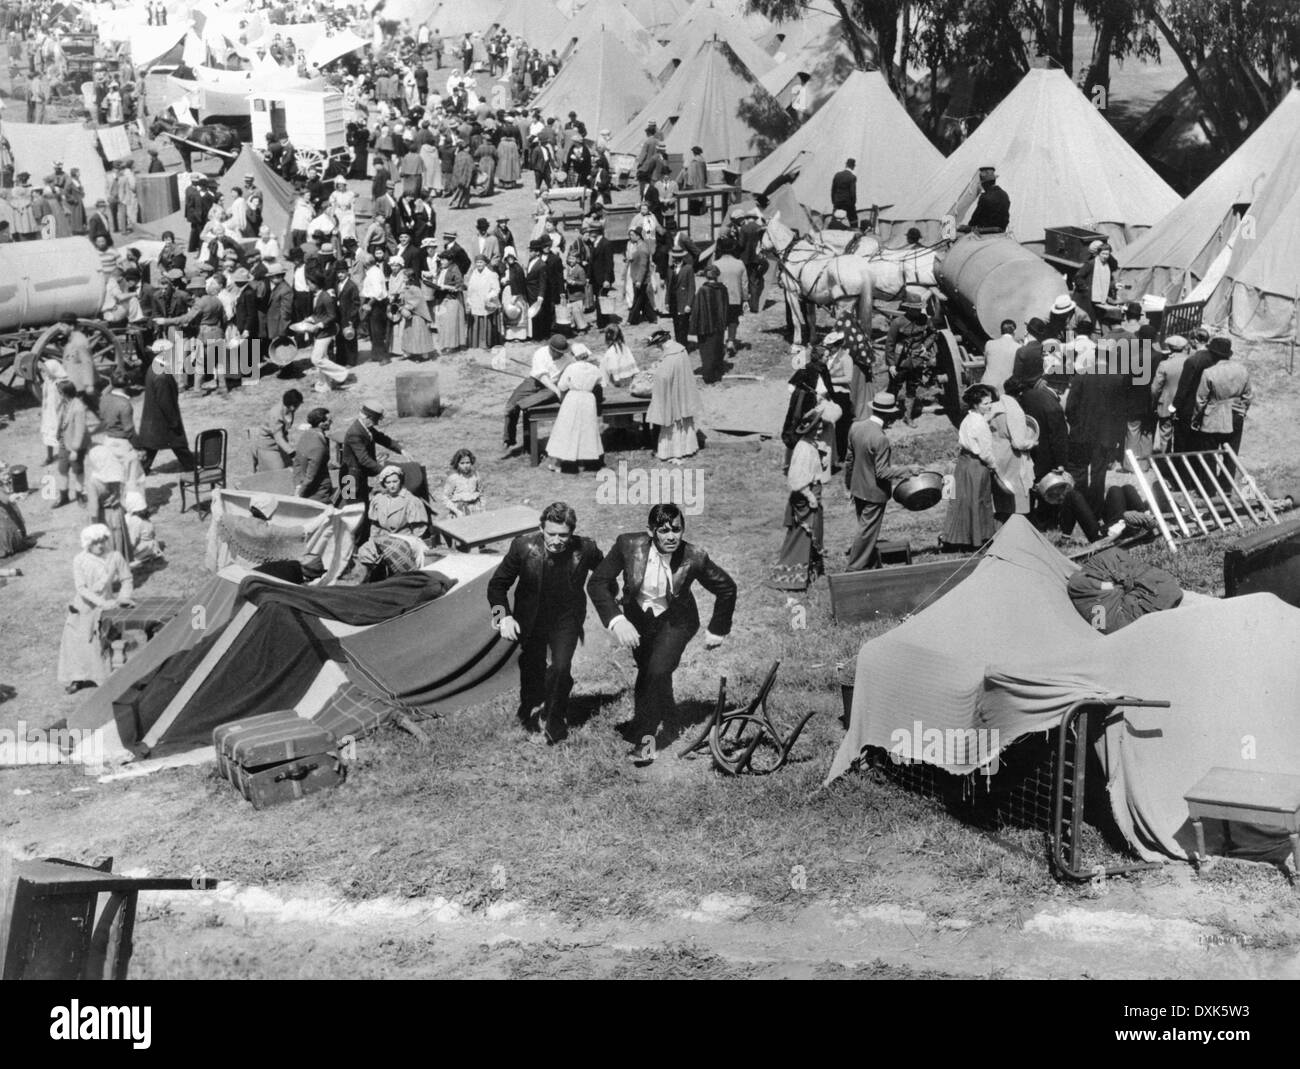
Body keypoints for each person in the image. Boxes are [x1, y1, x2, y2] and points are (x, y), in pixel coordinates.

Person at [587, 504, 737, 761]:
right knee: (652, 671)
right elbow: (598, 582)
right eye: (664, 530)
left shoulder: (694, 556)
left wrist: (717, 629)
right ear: (650, 531)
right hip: (638, 621)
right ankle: (671, 717)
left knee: (654, 672)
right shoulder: (627, 544)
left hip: (677, 622)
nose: (671, 536)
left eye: (676, 530)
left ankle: (645, 741)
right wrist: (617, 620)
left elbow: (727, 587)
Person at [488, 501, 605, 744]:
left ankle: (554, 723)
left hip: (566, 619)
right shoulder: (523, 546)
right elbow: (497, 585)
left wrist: (616, 598)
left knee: (561, 668)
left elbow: (605, 576)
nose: (557, 540)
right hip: (531, 618)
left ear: (572, 533)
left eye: (563, 535)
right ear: (542, 529)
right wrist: (503, 617)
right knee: (533, 668)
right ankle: (531, 708)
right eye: (551, 534)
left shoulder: (587, 549)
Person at [844, 392, 920, 571]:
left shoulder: (856, 427)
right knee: (868, 531)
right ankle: (854, 568)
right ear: (889, 415)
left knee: (864, 527)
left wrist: (849, 485)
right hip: (873, 492)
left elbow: (849, 459)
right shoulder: (880, 438)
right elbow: (882, 472)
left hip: (858, 488)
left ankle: (870, 562)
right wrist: (909, 470)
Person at [769, 398, 840, 590]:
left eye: (820, 427)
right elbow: (796, 480)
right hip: (805, 499)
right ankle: (790, 578)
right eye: (816, 428)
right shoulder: (803, 449)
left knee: (813, 535)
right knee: (801, 538)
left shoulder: (811, 446)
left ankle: (812, 572)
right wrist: (809, 497)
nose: (819, 431)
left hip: (812, 495)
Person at [57, 524, 134, 693]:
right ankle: (77, 678)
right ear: (88, 544)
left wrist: (123, 597)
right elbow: (82, 588)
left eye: (102, 541)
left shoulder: (115, 557)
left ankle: (102, 679)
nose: (100, 545)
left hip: (106, 606)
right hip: (84, 606)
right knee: (77, 642)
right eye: (95, 542)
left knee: (101, 642)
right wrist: (100, 602)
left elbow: (126, 578)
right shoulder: (80, 560)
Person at [941, 384, 999, 548]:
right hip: (976, 465)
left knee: (961, 500)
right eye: (985, 403)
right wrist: (994, 466)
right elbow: (985, 452)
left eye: (989, 402)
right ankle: (979, 538)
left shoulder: (968, 418)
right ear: (975, 405)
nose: (989, 406)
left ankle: (958, 538)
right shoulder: (980, 424)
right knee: (978, 500)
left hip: (963, 463)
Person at [353, 465, 431, 581]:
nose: (392, 485)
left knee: (394, 550)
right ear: (384, 483)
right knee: (365, 551)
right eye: (388, 482)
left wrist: (412, 542)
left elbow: (419, 529)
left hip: (405, 538)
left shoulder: (411, 500)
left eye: (395, 481)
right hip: (383, 538)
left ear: (400, 481)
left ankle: (407, 580)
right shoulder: (379, 499)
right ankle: (373, 580)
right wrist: (372, 541)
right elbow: (375, 525)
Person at [502, 334, 569, 458]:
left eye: (563, 352)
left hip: (551, 388)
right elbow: (542, 377)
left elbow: (573, 370)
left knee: (547, 395)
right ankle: (508, 439)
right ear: (552, 349)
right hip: (535, 381)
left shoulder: (567, 359)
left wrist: (558, 390)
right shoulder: (540, 353)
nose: (561, 355)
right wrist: (558, 391)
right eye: (559, 352)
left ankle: (521, 405)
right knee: (509, 406)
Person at [1195, 335, 1252, 478]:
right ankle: (1226, 487)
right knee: (1231, 454)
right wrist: (1242, 411)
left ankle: (1208, 488)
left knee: (1209, 455)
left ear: (1213, 354)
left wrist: (1196, 418)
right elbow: (1248, 396)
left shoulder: (1209, 373)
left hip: (1213, 416)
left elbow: (1200, 400)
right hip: (1235, 415)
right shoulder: (1242, 370)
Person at [546, 344, 604, 473]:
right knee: (586, 429)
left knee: (566, 429)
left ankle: (559, 463)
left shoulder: (571, 368)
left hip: (573, 399)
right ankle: (583, 461)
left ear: (574, 355)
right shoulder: (594, 369)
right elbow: (600, 382)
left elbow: (562, 386)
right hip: (588, 399)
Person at [138, 348, 194, 474]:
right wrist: (173, 420)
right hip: (163, 418)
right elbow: (165, 401)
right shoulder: (161, 376)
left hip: (154, 419)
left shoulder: (153, 367)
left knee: (151, 445)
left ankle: (142, 469)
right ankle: (191, 466)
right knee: (178, 442)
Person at [987, 384, 1037, 523]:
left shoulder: (993, 408)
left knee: (1001, 492)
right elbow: (1018, 442)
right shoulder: (1013, 410)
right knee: (1016, 497)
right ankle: (1017, 529)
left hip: (996, 452)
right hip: (1012, 456)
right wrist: (1032, 443)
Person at [647, 340, 701, 463]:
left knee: (672, 420)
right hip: (682, 391)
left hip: (672, 394)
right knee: (683, 418)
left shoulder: (671, 356)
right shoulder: (681, 350)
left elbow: (664, 377)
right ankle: (687, 448)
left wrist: (653, 373)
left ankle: (673, 451)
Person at [340, 400, 402, 504]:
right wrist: (384, 471)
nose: (377, 423)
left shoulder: (365, 428)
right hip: (350, 477)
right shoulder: (354, 433)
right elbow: (364, 458)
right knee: (352, 509)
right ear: (367, 417)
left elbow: (382, 438)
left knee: (363, 503)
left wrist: (401, 449)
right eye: (375, 420)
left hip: (359, 474)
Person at [53, 380, 91, 508]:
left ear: (65, 393)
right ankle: (64, 497)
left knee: (77, 470)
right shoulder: (64, 404)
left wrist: (75, 449)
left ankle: (80, 495)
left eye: (59, 392)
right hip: (64, 442)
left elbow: (80, 430)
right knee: (62, 469)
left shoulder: (78, 407)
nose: (58, 394)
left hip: (76, 444)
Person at [690, 264, 729, 384]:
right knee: (717, 348)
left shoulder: (703, 290)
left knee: (706, 351)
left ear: (706, 276)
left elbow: (696, 310)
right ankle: (717, 373)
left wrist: (692, 328)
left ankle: (709, 376)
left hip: (705, 326)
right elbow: (726, 306)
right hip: (719, 325)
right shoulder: (723, 289)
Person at [1150, 335, 1188, 454]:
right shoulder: (1190, 361)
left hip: (1166, 402)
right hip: (1184, 404)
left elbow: (1155, 387)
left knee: (1165, 433)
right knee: (1181, 435)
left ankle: (1164, 462)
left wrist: (1154, 401)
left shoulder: (1165, 364)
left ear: (1170, 348)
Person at [251, 389, 303, 472]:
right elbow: (278, 438)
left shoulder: (289, 410)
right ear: (292, 406)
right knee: (278, 473)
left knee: (291, 469)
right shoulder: (275, 415)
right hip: (269, 448)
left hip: (281, 446)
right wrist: (292, 452)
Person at [293, 407, 334, 504]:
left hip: (304, 485)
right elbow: (312, 474)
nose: (331, 422)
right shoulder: (318, 446)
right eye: (329, 420)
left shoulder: (305, 436)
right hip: (319, 491)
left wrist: (298, 485)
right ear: (321, 423)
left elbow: (297, 463)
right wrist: (300, 493)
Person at [714, 239, 747, 356]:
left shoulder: (715, 264)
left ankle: (720, 342)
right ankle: (731, 341)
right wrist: (745, 299)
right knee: (733, 319)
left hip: (719, 299)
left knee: (721, 321)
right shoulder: (740, 264)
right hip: (735, 297)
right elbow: (744, 284)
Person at [465, 253, 502, 350]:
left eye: (481, 262)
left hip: (486, 302)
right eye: (477, 262)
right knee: (476, 320)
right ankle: (475, 343)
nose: (479, 264)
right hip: (476, 301)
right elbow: (470, 287)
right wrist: (469, 298)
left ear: (485, 263)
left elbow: (496, 289)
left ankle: (485, 343)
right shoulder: (474, 273)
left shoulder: (491, 274)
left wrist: (489, 296)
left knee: (485, 321)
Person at [431, 250, 467, 351]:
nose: (441, 262)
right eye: (441, 259)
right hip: (441, 298)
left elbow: (460, 285)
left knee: (451, 323)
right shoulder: (440, 269)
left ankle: (452, 346)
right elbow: (437, 280)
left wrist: (446, 287)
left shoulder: (455, 269)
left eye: (444, 260)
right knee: (443, 322)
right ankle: (445, 344)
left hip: (452, 299)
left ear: (450, 260)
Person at [442, 448, 484, 517]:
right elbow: (445, 497)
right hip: (459, 511)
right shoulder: (453, 478)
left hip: (475, 509)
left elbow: (482, 494)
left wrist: (482, 508)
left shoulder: (475, 475)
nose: (465, 466)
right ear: (457, 464)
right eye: (462, 463)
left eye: (468, 462)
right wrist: (456, 511)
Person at [667, 247, 695, 347]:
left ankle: (684, 345)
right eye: (674, 257)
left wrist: (689, 304)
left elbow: (692, 288)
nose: (676, 259)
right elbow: (668, 286)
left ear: (682, 257)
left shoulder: (688, 268)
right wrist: (667, 301)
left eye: (678, 257)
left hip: (683, 301)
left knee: (683, 324)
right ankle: (679, 345)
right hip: (674, 301)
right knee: (676, 324)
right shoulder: (670, 269)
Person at [968, 165, 1009, 232]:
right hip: (1000, 232)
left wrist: (967, 227)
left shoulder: (985, 197)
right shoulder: (1004, 194)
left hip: (985, 233)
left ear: (985, 184)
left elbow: (974, 220)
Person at [981, 320, 1019, 390]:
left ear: (1001, 331)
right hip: (1005, 388)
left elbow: (986, 363)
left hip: (987, 384)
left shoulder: (989, 344)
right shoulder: (1019, 347)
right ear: (1014, 332)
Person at [830, 158, 857, 223]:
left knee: (835, 220)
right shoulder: (852, 177)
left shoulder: (837, 175)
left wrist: (834, 202)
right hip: (847, 204)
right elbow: (852, 193)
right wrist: (853, 204)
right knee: (853, 220)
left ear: (846, 165)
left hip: (837, 203)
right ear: (853, 166)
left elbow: (833, 190)